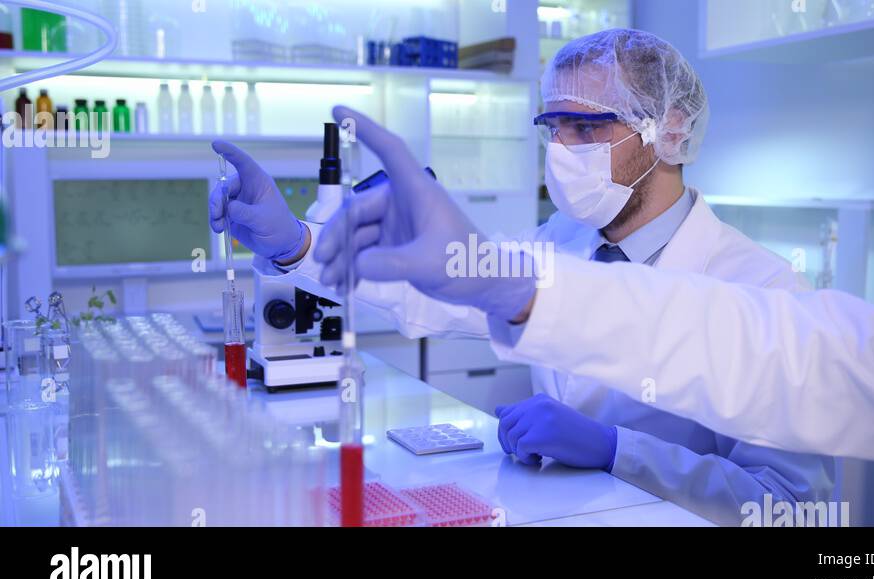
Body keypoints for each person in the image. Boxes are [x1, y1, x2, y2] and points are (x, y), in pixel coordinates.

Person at [210, 30, 835, 525]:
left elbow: (790, 507)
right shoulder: (558, 243)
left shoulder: (767, 292)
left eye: (587, 127)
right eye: (551, 126)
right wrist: (297, 244)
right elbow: (441, 285)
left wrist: (619, 449)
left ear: (667, 131)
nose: (562, 150)